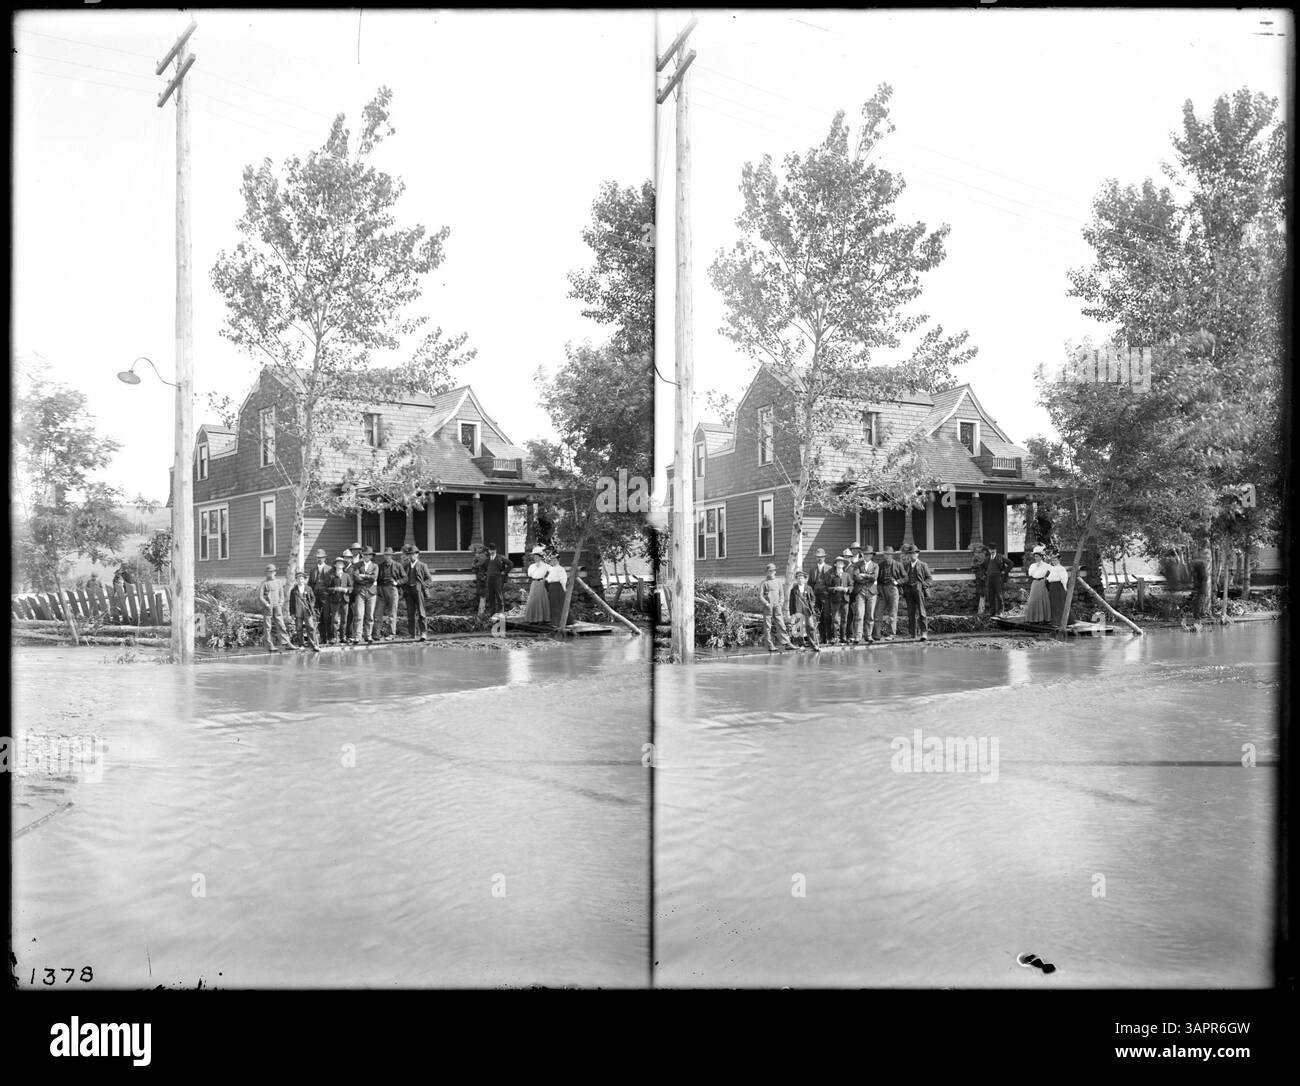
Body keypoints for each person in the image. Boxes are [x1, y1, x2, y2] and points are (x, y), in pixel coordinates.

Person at [759, 563, 796, 652]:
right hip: (768, 607)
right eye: (770, 571)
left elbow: (782, 594)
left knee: (781, 624)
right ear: (767, 572)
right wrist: (766, 604)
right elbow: (760, 596)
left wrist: (781, 603)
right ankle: (769, 645)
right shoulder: (764, 583)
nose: (771, 572)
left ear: (775, 572)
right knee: (767, 626)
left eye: (773, 571)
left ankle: (787, 643)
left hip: (777, 606)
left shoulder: (778, 581)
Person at [259, 563, 295, 652]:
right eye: (269, 572)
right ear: (266, 573)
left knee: (281, 624)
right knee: (268, 627)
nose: (271, 573)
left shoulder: (278, 582)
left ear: (275, 572)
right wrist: (266, 604)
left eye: (272, 571)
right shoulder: (264, 583)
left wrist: (281, 603)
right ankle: (269, 645)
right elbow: (260, 597)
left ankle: (287, 643)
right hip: (268, 607)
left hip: (277, 606)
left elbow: (281, 594)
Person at [900, 544, 934, 641]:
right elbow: (903, 578)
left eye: (914, 553)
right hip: (908, 591)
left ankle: (924, 633)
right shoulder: (906, 566)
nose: (912, 555)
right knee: (911, 613)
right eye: (910, 553)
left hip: (919, 589)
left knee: (922, 611)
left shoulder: (923, 565)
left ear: (917, 554)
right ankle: (912, 634)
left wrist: (923, 586)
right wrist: (903, 588)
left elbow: (929, 579)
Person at [850, 543, 879, 644]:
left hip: (872, 592)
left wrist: (863, 575)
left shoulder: (875, 565)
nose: (867, 556)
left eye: (869, 554)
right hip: (860, 592)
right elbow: (856, 577)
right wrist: (868, 576)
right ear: (863, 555)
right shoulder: (858, 564)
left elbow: (874, 577)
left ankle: (868, 635)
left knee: (870, 615)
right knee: (859, 614)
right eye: (865, 554)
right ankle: (858, 636)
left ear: (871, 555)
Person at [375, 546, 405, 641]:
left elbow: (405, 578)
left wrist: (397, 582)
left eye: (389, 555)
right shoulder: (380, 566)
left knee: (392, 613)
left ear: (392, 556)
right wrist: (378, 588)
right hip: (382, 590)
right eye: (385, 555)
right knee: (378, 613)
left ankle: (392, 634)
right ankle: (376, 634)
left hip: (393, 589)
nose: (387, 557)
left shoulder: (398, 565)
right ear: (384, 556)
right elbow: (377, 579)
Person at [350, 546, 379, 643]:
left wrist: (364, 576)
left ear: (371, 556)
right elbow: (356, 577)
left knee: (370, 615)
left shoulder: (375, 566)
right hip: (360, 592)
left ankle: (368, 636)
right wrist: (368, 577)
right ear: (362, 555)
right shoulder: (357, 565)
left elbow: (374, 578)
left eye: (368, 555)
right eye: (365, 554)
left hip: (372, 592)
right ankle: (357, 636)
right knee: (359, 614)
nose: (366, 556)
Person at [873, 546, 903, 641]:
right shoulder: (880, 565)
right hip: (882, 590)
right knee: (878, 612)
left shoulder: (898, 565)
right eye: (885, 554)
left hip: (893, 589)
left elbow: (905, 578)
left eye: (888, 554)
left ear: (892, 555)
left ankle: (891, 634)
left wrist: (897, 582)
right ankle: (876, 634)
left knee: (892, 612)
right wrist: (877, 588)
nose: (886, 556)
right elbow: (876, 579)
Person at [402, 545, 431, 640]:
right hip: (408, 591)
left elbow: (429, 579)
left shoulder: (422, 565)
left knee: (421, 612)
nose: (411, 556)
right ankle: (412, 634)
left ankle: (423, 633)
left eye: (413, 554)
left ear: (417, 554)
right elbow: (403, 578)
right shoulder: (406, 566)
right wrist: (404, 588)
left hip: (418, 590)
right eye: (410, 554)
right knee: (410, 613)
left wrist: (423, 586)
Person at [288, 570, 321, 652]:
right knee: (299, 628)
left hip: (307, 611)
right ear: (296, 580)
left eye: (301, 579)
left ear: (304, 580)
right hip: (298, 611)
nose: (300, 580)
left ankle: (312, 644)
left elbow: (313, 598)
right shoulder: (293, 590)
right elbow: (291, 603)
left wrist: (311, 605)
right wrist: (292, 613)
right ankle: (301, 644)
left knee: (310, 627)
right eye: (298, 579)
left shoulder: (308, 588)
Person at [788, 569, 820, 652]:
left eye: (802, 578)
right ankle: (801, 644)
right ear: (796, 579)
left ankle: (813, 644)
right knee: (799, 628)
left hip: (807, 609)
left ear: (805, 579)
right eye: (798, 578)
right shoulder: (793, 590)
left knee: (810, 627)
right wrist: (792, 613)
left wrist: (812, 605)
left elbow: (813, 598)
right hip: (798, 610)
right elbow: (791, 602)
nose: (800, 580)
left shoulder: (808, 588)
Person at [809, 547, 835, 643]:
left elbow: (833, 582)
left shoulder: (830, 568)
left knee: (827, 616)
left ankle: (829, 637)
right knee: (818, 616)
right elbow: (810, 583)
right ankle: (822, 637)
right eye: (818, 557)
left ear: (824, 557)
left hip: (826, 596)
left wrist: (829, 592)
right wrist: (810, 595)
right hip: (816, 596)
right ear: (816, 558)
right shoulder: (812, 569)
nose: (819, 558)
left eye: (821, 557)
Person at [307, 548, 333, 644]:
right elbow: (310, 584)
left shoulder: (330, 569)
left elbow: (332, 583)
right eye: (318, 558)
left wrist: (329, 593)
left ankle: (330, 637)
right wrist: (309, 595)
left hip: (326, 596)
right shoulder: (313, 570)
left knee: (327, 617)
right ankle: (323, 638)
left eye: (321, 557)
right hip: (316, 596)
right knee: (319, 617)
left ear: (325, 558)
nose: (319, 559)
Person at [325, 557, 352, 644]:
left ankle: (343, 637)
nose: (340, 565)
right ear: (335, 565)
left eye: (341, 563)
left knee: (344, 620)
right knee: (335, 620)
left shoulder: (346, 575)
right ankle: (334, 637)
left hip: (345, 600)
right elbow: (327, 588)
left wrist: (346, 590)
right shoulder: (331, 576)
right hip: (335, 600)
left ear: (343, 565)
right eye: (338, 563)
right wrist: (335, 589)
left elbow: (351, 587)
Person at [484, 541, 514, 618]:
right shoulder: (487, 559)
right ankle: (492, 613)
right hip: (489, 579)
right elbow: (484, 568)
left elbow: (511, 564)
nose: (492, 551)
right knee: (490, 596)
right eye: (490, 550)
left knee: (499, 596)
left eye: (493, 550)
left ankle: (500, 613)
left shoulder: (500, 557)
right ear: (488, 550)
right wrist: (486, 574)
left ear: (495, 550)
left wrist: (504, 572)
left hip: (498, 579)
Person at [828, 551, 854, 643]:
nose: (840, 564)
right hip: (835, 600)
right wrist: (835, 588)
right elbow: (828, 588)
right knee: (835, 619)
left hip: (845, 600)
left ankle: (843, 637)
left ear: (843, 565)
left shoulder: (846, 575)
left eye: (841, 563)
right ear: (835, 564)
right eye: (838, 563)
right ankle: (835, 637)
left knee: (844, 619)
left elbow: (851, 586)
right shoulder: (831, 575)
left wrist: (846, 589)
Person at [524, 545, 551, 624]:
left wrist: (547, 578)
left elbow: (553, 571)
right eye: (534, 557)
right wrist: (536, 567)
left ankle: (541, 619)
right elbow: (529, 574)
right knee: (532, 600)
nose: (535, 558)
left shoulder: (545, 565)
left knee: (541, 600)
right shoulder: (532, 566)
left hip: (541, 583)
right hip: (534, 583)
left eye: (537, 557)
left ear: (540, 557)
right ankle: (532, 619)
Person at [1025, 545, 1052, 623]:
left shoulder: (1046, 565)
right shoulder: (1033, 565)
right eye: (1035, 556)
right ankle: (1033, 619)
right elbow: (1030, 574)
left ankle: (1043, 619)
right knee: (1033, 600)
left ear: (1041, 556)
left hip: (1042, 583)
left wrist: (1048, 578)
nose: (1035, 558)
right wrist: (1037, 567)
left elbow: (1053, 571)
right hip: (1035, 583)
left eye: (1037, 556)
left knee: (1042, 599)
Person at [985, 545, 1015, 616]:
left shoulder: (1000, 557)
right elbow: (983, 567)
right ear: (989, 550)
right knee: (990, 596)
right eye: (991, 549)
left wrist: (1005, 571)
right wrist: (986, 574)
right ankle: (992, 612)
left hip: (998, 578)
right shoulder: (987, 558)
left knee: (999, 595)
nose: (992, 551)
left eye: (993, 549)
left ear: (996, 550)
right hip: (990, 579)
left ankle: (1000, 612)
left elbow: (1011, 563)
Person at [544, 547, 569, 628]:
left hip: (558, 588)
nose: (553, 561)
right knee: (552, 605)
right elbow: (549, 578)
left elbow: (563, 579)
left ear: (558, 561)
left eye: (555, 560)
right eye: (552, 560)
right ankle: (554, 621)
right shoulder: (551, 569)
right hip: (551, 587)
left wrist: (564, 588)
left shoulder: (560, 569)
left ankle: (558, 622)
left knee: (558, 604)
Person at [1046, 550, 1070, 628]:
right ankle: (1055, 620)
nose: (1054, 562)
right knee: (1053, 604)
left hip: (1058, 587)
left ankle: (1058, 622)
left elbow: (1064, 579)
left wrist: (1065, 588)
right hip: (1053, 587)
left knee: (1058, 605)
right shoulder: (1053, 568)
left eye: (1055, 560)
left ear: (1059, 560)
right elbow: (1049, 578)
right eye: (1053, 560)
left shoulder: (1061, 568)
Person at [471, 543, 490, 615]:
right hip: (482, 575)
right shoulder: (483, 556)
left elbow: (476, 565)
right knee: (481, 591)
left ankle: (481, 610)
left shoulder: (483, 557)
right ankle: (481, 609)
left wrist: (474, 562)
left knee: (482, 592)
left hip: (482, 576)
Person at [971, 545, 989, 614]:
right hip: (979, 576)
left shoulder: (986, 558)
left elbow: (987, 566)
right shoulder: (975, 558)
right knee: (980, 591)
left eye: (979, 552)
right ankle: (981, 608)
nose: (977, 553)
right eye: (976, 552)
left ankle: (982, 608)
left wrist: (984, 574)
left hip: (984, 576)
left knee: (983, 591)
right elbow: (973, 567)